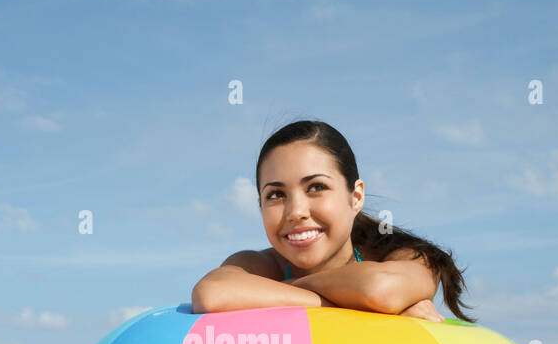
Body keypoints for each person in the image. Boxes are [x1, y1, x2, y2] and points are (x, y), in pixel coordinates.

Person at [191, 119, 476, 323]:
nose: (295, 211)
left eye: (316, 187)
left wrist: (274, 293)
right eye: (276, 194)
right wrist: (337, 303)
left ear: (356, 196)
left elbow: (379, 289)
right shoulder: (260, 264)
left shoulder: (404, 256)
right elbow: (212, 293)